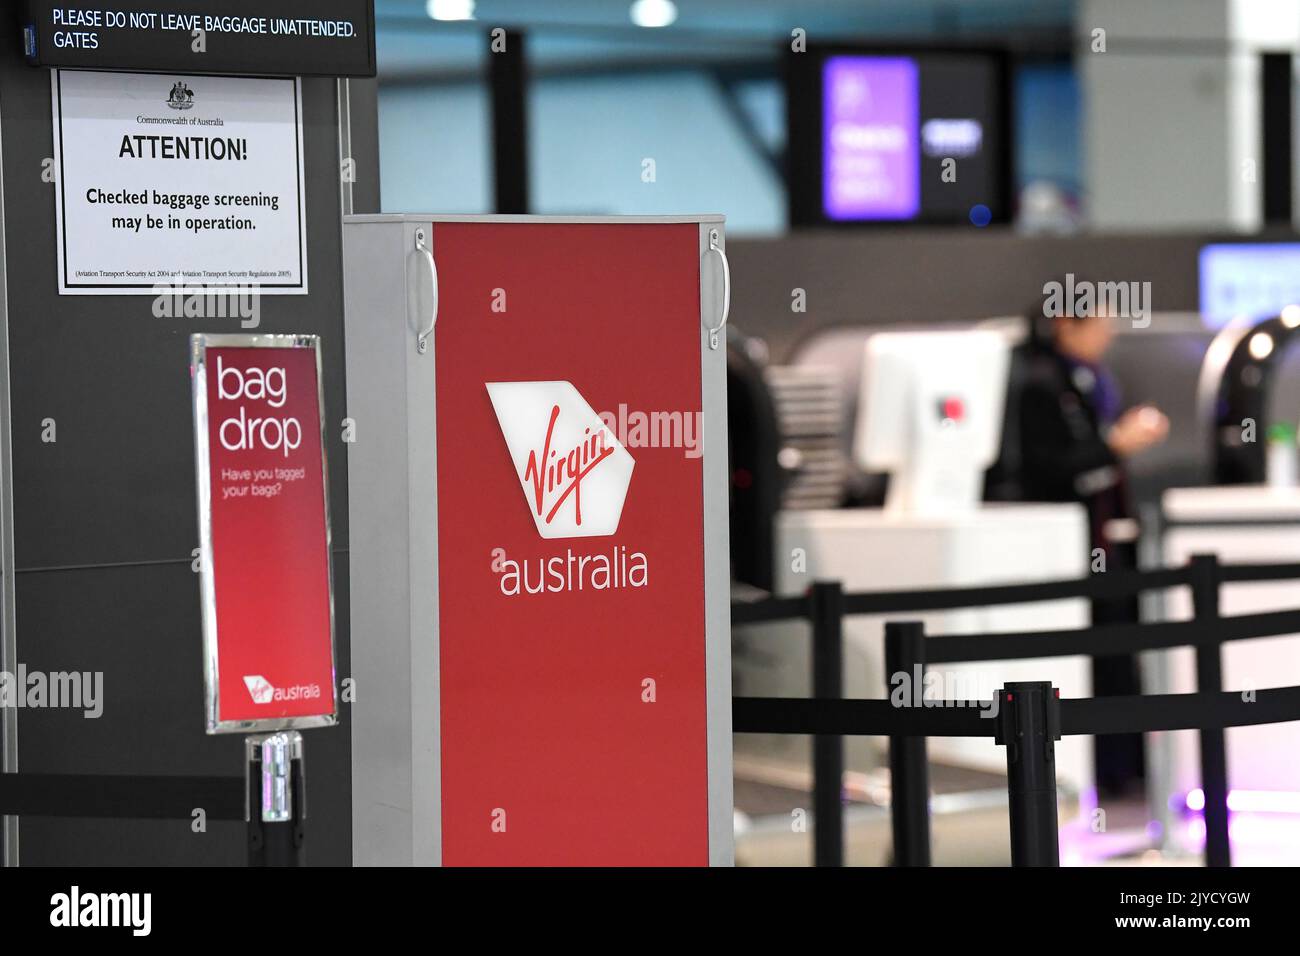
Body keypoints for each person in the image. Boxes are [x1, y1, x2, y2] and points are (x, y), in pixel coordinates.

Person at [1004, 286, 1169, 798]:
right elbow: (1048, 469)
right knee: (1098, 657)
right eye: (1100, 323)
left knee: (1120, 654)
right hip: (1067, 545)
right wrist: (1114, 444)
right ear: (1066, 326)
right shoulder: (1038, 384)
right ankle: (1104, 771)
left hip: (1104, 536)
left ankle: (1126, 767)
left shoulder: (1089, 381)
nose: (1110, 333)